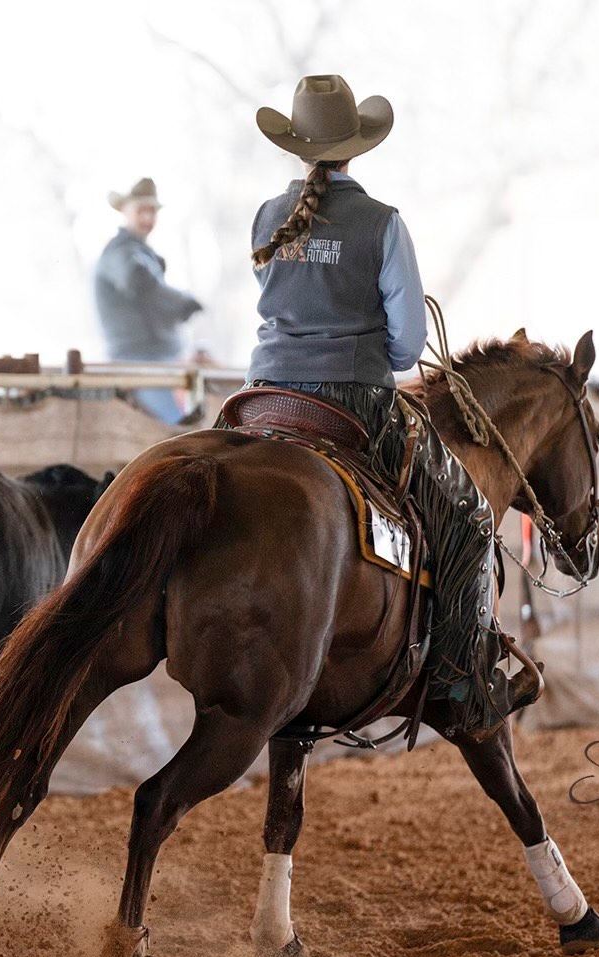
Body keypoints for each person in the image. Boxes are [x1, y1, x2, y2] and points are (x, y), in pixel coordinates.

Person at [244, 74, 535, 741]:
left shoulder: (267, 217)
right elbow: (405, 349)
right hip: (353, 403)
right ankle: (464, 680)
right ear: (355, 148)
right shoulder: (381, 223)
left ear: (297, 147)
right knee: (463, 512)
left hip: (264, 400)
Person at [94, 178, 203, 423]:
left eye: (152, 211)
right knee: (179, 428)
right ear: (125, 211)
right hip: (140, 364)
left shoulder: (138, 251)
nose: (147, 218)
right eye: (141, 210)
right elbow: (139, 280)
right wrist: (184, 302)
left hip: (158, 362)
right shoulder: (122, 252)